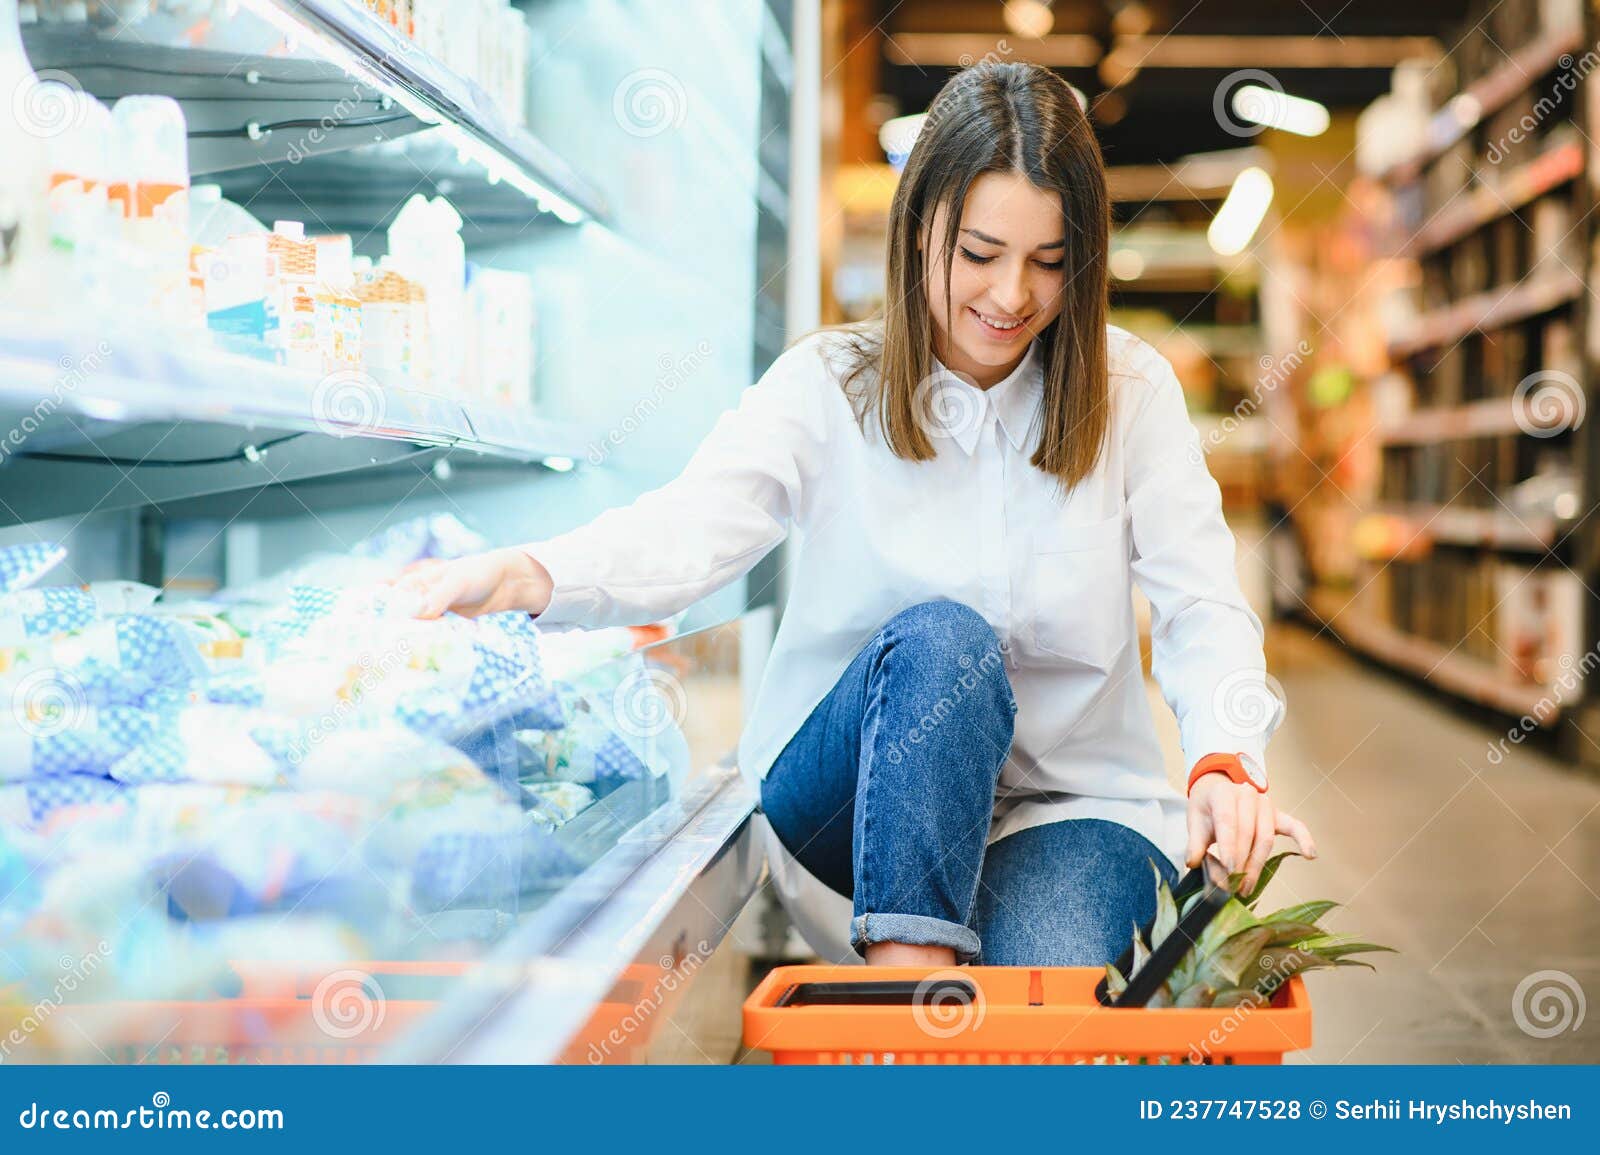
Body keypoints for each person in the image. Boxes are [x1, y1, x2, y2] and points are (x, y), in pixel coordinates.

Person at [397, 61, 1314, 968]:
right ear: (920, 232)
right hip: (855, 793)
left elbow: (1200, 599)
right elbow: (694, 524)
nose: (1010, 297)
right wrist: (529, 575)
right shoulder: (828, 384)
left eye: (1049, 263)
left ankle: (936, 1002)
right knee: (944, 645)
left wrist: (1226, 757)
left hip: (1065, 805)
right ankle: (906, 1018)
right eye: (980, 255)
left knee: (1052, 993)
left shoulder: (1131, 392)